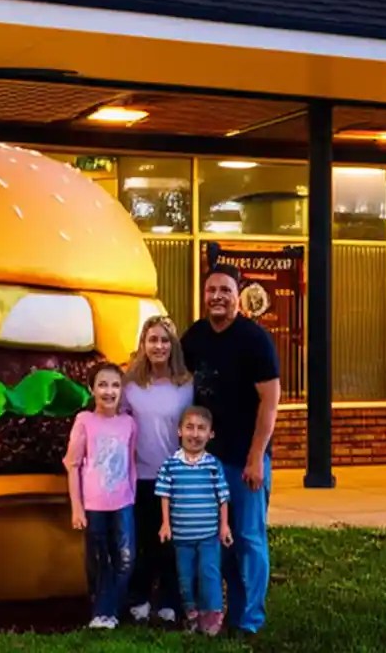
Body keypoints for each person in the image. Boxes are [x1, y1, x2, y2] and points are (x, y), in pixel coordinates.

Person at [180, 264, 280, 637]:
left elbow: (270, 402)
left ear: (238, 295)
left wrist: (256, 458)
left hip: (244, 459)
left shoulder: (254, 340)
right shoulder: (196, 337)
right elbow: (173, 379)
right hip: (208, 461)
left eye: (225, 290)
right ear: (204, 295)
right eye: (211, 290)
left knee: (249, 539)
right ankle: (222, 614)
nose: (217, 297)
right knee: (217, 540)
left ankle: (249, 620)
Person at [121, 315, 194, 625]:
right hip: (141, 476)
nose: (159, 346)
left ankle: (168, 602)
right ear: (143, 344)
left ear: (173, 345)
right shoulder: (130, 385)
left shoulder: (186, 385)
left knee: (171, 544)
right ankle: (138, 601)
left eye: (164, 340)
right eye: (152, 339)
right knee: (144, 542)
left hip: (176, 476)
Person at [63, 362, 138, 630]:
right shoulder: (85, 421)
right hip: (94, 504)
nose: (109, 391)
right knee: (98, 559)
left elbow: (130, 464)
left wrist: (133, 496)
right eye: (103, 385)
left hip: (123, 502)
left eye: (115, 385)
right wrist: (77, 507)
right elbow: (72, 464)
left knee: (126, 558)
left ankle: (106, 611)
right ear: (92, 389)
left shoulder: (128, 423)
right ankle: (104, 612)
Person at [155, 406, 233, 636]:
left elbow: (223, 497)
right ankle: (191, 615)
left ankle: (212, 618)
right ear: (179, 431)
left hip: (209, 535)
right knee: (186, 577)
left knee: (209, 573)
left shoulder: (213, 465)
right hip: (181, 536)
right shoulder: (170, 465)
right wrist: (165, 524)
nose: (195, 434)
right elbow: (165, 495)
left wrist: (224, 526)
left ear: (211, 434)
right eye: (189, 427)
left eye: (202, 429)